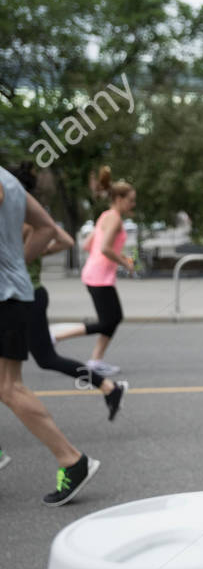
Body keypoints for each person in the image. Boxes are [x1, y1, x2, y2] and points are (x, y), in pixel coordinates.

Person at [0, 165, 99, 505]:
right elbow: (46, 229)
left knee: (9, 387)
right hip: (12, 292)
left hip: (4, 300)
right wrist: (14, 263)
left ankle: (72, 460)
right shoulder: (10, 181)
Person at [14, 164, 126, 419]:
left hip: (24, 296)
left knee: (40, 362)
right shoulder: (32, 216)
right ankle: (108, 387)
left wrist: (27, 255)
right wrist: (40, 250)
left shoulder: (18, 219)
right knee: (45, 359)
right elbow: (65, 240)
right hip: (30, 293)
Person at [51, 166, 135, 377]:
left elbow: (88, 244)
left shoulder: (105, 215)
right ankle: (57, 335)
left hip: (96, 273)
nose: (133, 204)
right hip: (99, 276)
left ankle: (96, 360)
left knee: (113, 318)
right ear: (119, 199)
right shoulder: (114, 218)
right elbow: (105, 248)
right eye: (131, 200)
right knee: (109, 319)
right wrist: (125, 261)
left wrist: (110, 255)